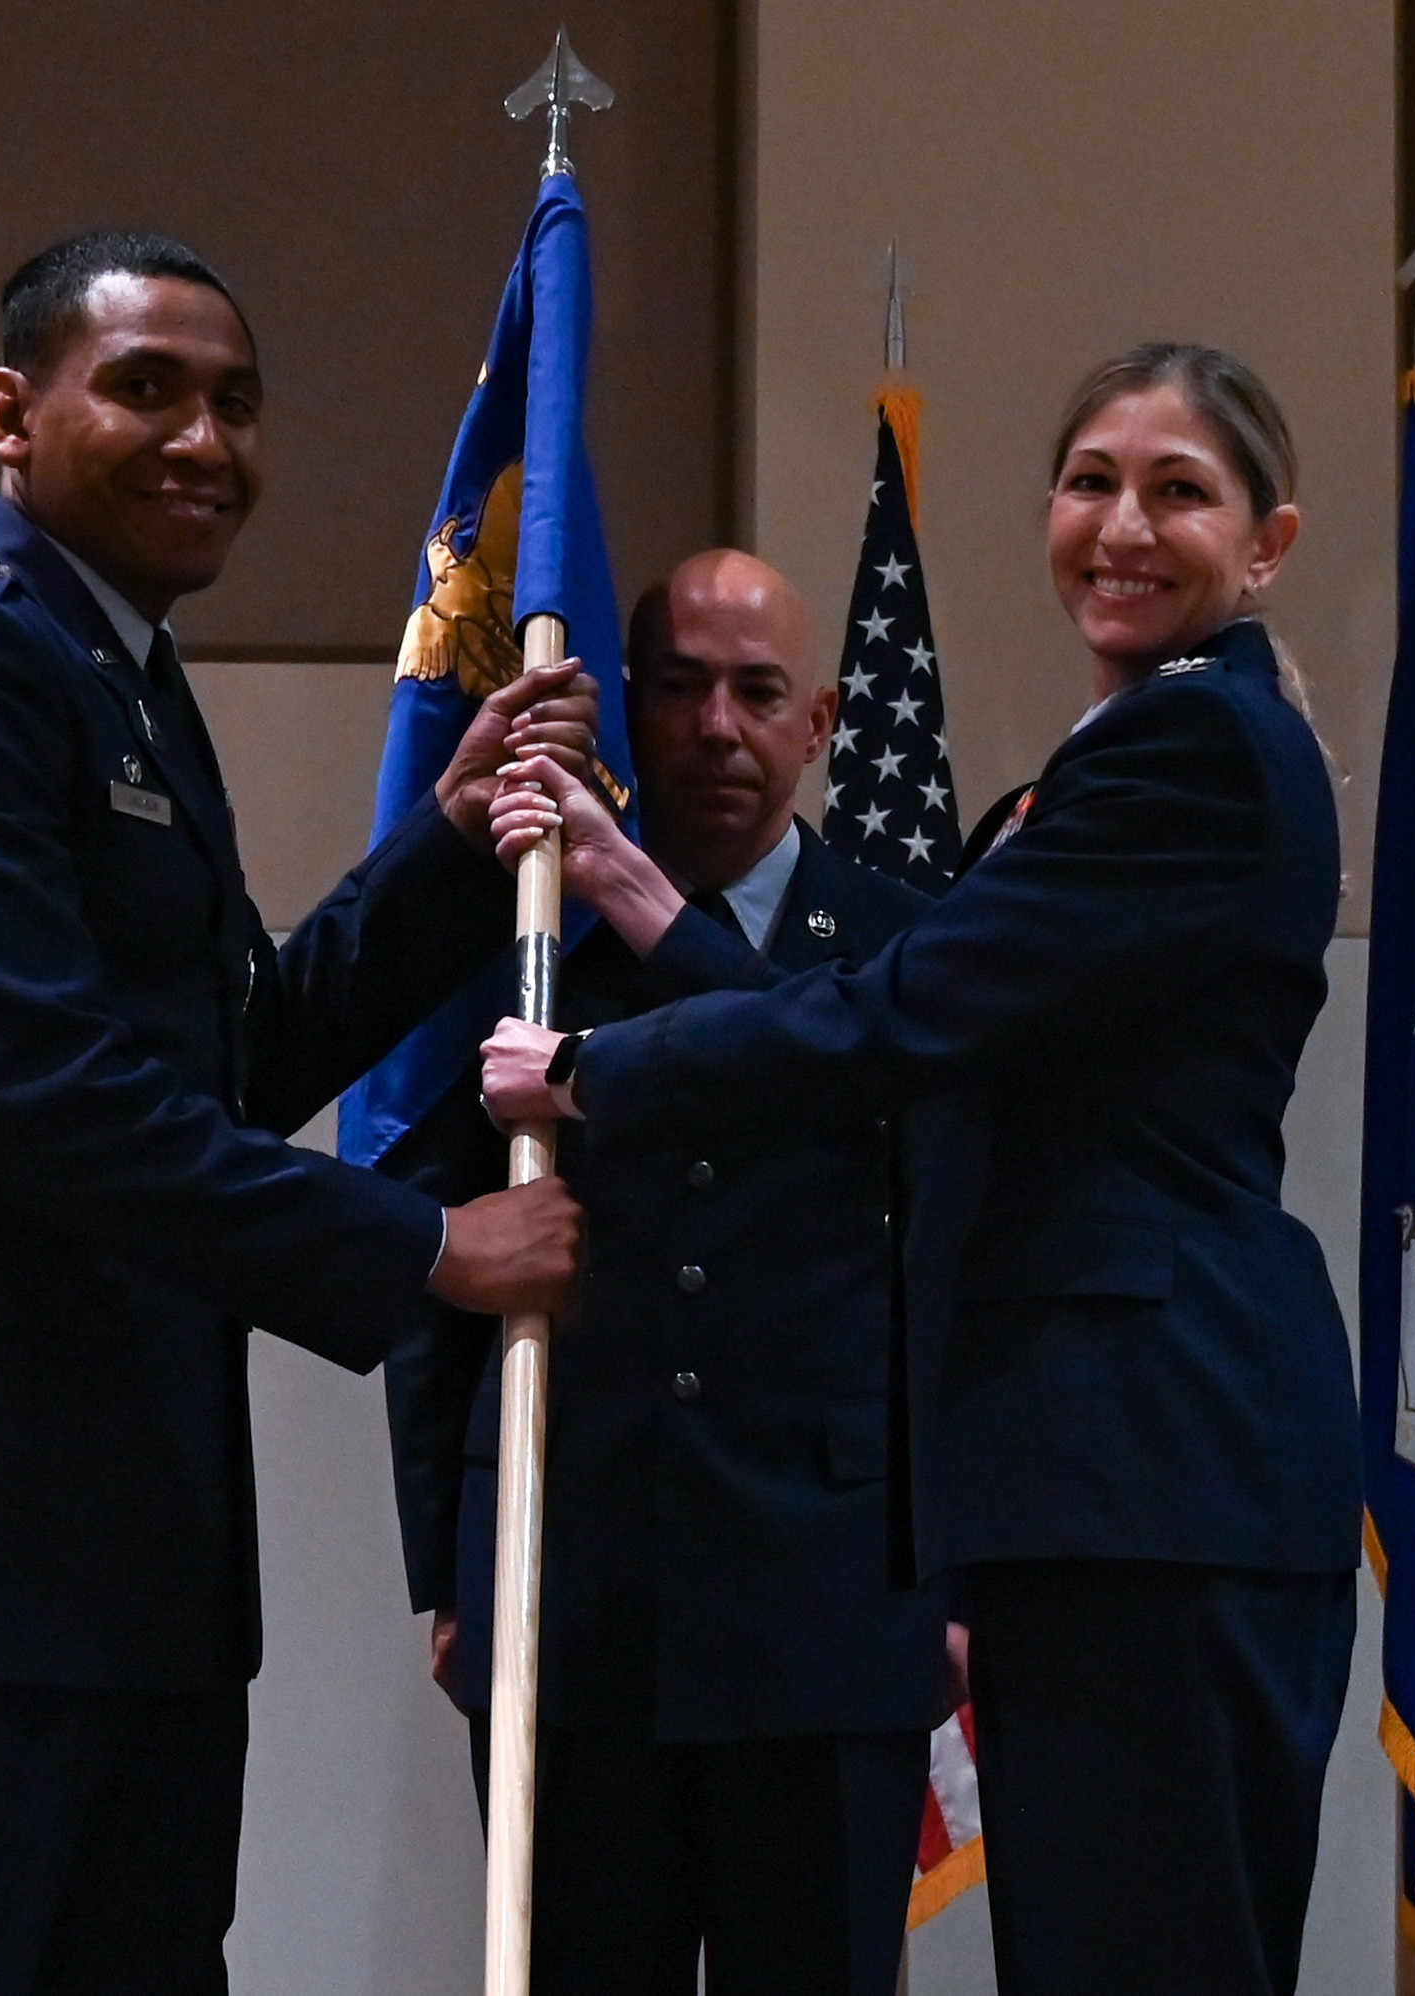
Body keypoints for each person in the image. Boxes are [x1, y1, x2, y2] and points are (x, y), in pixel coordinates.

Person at [0, 228, 589, 1996]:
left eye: (238, 404)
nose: (207, 441)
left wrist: (449, 843)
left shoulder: (116, 673)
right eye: (147, 390)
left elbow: (231, 1055)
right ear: (10, 413)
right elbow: (45, 1100)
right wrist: (428, 1247)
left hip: (130, 1560)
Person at [480, 345, 1362, 1996]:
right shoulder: (1123, 757)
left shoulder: (1190, 750)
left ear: (1268, 544)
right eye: (1092, 481)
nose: (1123, 525)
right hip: (1103, 1478)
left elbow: (905, 1018)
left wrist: (600, 1068)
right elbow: (926, 1061)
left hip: (1152, 1465)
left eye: (1179, 491)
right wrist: (651, 909)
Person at [385, 550, 951, 1996]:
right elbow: (436, 1241)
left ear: (819, 722)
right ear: (629, 707)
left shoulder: (902, 943)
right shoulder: (531, 939)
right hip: (575, 1586)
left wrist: (958, 1575)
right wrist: (446, 1561)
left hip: (827, 1603)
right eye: (681, 687)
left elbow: (949, 1260)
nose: (716, 727)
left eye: (757, 693)